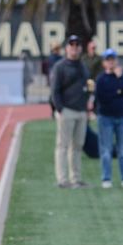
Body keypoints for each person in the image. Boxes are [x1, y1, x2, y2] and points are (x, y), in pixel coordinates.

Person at [49, 35, 90, 188]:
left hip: (81, 110)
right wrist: (60, 109)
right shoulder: (60, 67)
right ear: (66, 48)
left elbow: (87, 84)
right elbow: (55, 90)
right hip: (67, 110)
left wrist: (87, 103)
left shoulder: (83, 66)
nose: (74, 48)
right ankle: (62, 179)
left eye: (77, 45)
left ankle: (76, 178)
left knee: (77, 146)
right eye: (71, 45)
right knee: (63, 145)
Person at [94, 49, 123, 188]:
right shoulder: (101, 79)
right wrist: (117, 91)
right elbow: (103, 97)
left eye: (113, 59)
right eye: (108, 60)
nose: (111, 62)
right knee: (106, 150)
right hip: (106, 117)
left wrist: (119, 80)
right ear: (104, 63)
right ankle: (106, 178)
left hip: (122, 116)